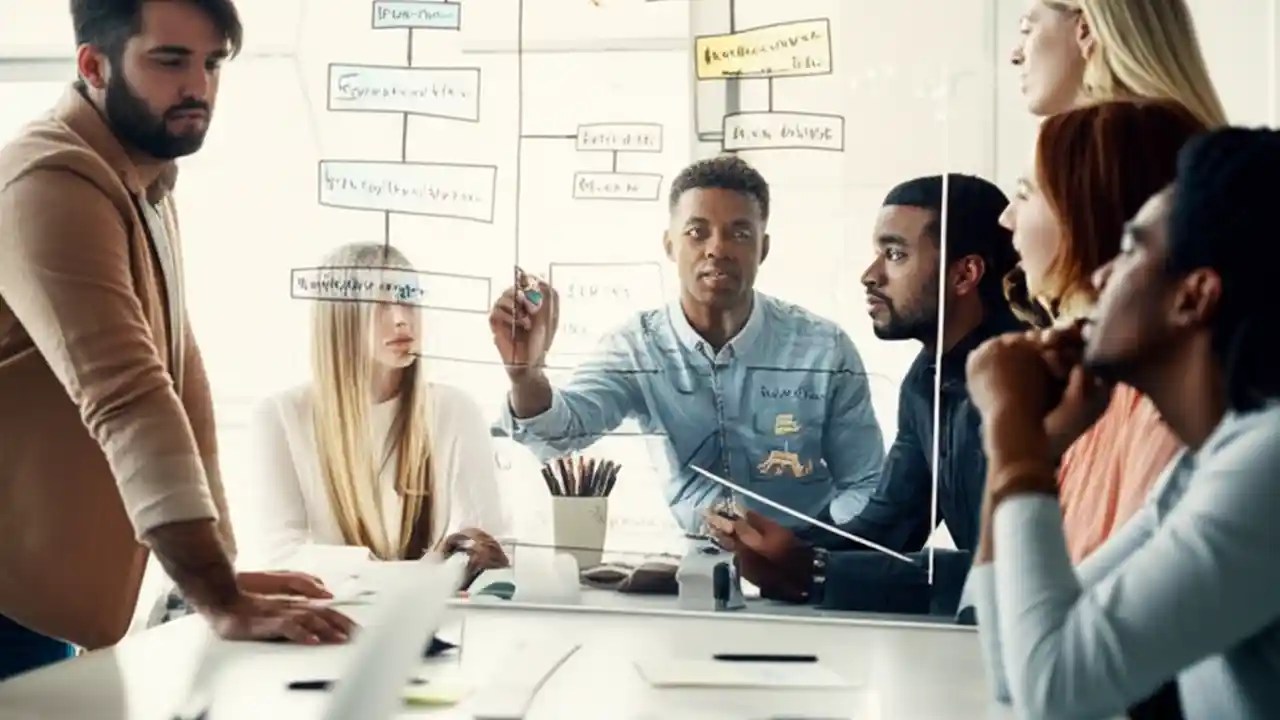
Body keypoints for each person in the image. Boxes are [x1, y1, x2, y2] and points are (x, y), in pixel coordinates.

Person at [0, 0, 352, 681]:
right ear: (93, 65)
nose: (199, 86)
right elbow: (128, 396)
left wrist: (218, 575)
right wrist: (220, 599)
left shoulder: (142, 180)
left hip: (39, 596)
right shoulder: (50, 181)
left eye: (212, 63)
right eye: (169, 61)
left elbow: (182, 380)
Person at [964, 127, 1280, 720]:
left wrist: (1011, 424)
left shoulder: (1268, 464)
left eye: (1133, 249)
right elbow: (1015, 663)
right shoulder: (1204, 464)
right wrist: (1041, 438)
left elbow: (1057, 690)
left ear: (1193, 297)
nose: (1104, 275)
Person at [491, 155, 885, 533]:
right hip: (696, 563)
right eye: (697, 232)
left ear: (763, 248)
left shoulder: (824, 349)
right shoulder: (637, 347)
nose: (717, 248)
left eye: (740, 233)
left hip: (807, 565)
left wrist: (813, 552)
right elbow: (562, 434)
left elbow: (866, 484)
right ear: (669, 245)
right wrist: (526, 377)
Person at [706, 174, 1022, 615]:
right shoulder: (924, 380)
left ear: (964, 274)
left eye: (894, 254)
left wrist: (812, 568)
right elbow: (885, 530)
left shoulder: (1028, 379)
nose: (870, 275)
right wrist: (771, 546)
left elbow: (1015, 573)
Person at [998, 99, 1208, 562]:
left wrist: (1008, 428)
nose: (1006, 218)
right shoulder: (1096, 398)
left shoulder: (1162, 413)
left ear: (1087, 214)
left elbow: (1057, 629)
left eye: (1026, 194)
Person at [244, 243, 510, 584]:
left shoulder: (456, 410)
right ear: (340, 316)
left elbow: (487, 547)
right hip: (330, 620)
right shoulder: (280, 417)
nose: (401, 318)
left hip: (434, 615)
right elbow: (282, 555)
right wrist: (421, 571)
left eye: (409, 299)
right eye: (380, 304)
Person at [1012, 0, 1225, 127]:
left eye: (1027, 29)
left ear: (1086, 30)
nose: (1015, 55)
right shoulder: (1204, 151)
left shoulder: (1090, 157)